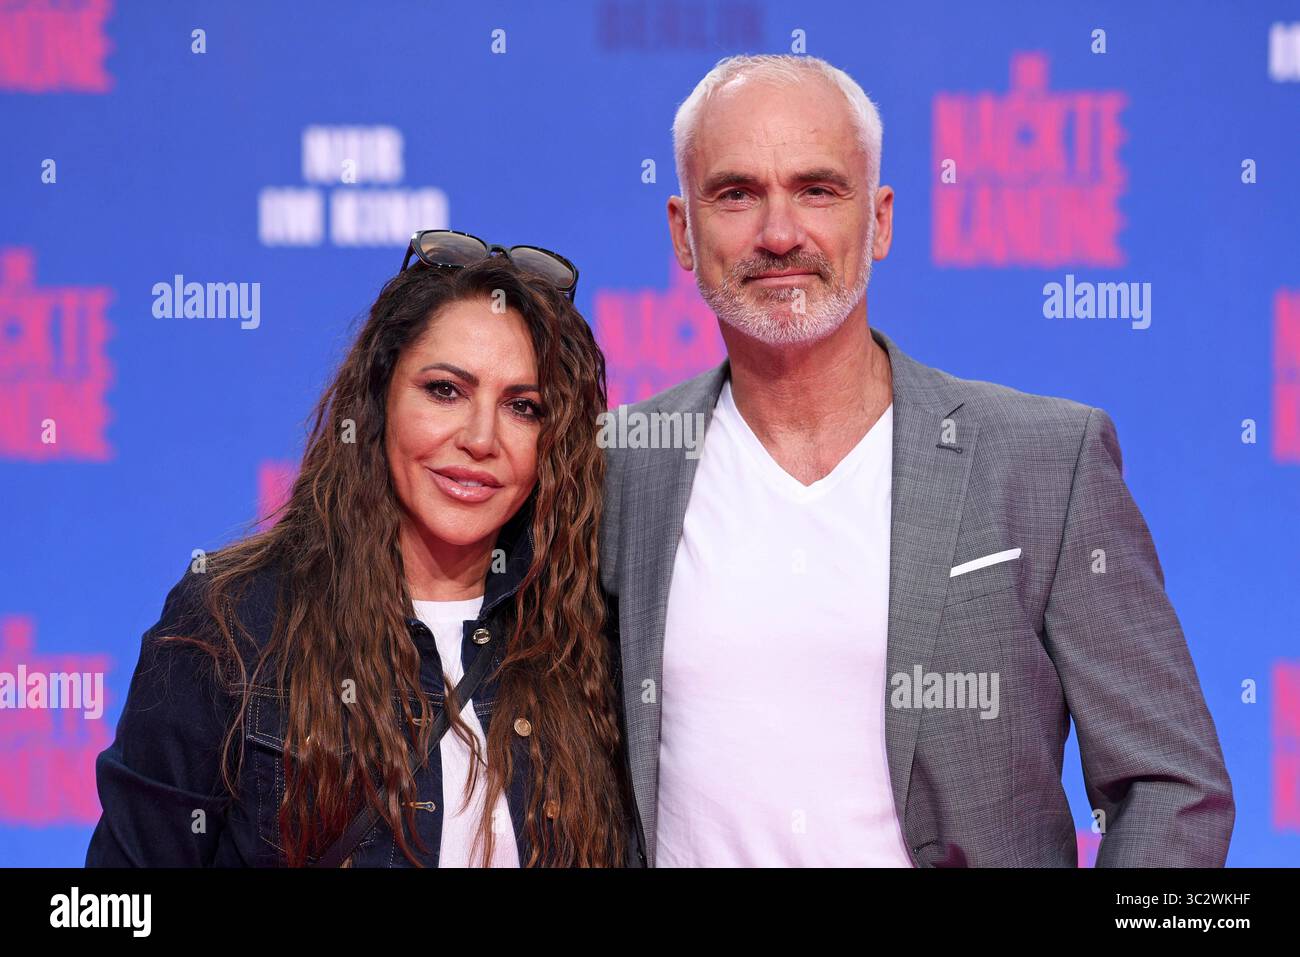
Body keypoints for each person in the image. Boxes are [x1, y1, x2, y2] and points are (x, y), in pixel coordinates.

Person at [599, 54, 1234, 866]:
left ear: (882, 219)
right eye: (736, 193)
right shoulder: (616, 471)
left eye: (818, 189)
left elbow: (1172, 788)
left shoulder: (1045, 461)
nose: (780, 232)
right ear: (683, 232)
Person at [87, 230, 634, 867]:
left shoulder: (591, 634)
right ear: (378, 399)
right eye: (445, 391)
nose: (481, 438)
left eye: (523, 406)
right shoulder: (233, 622)